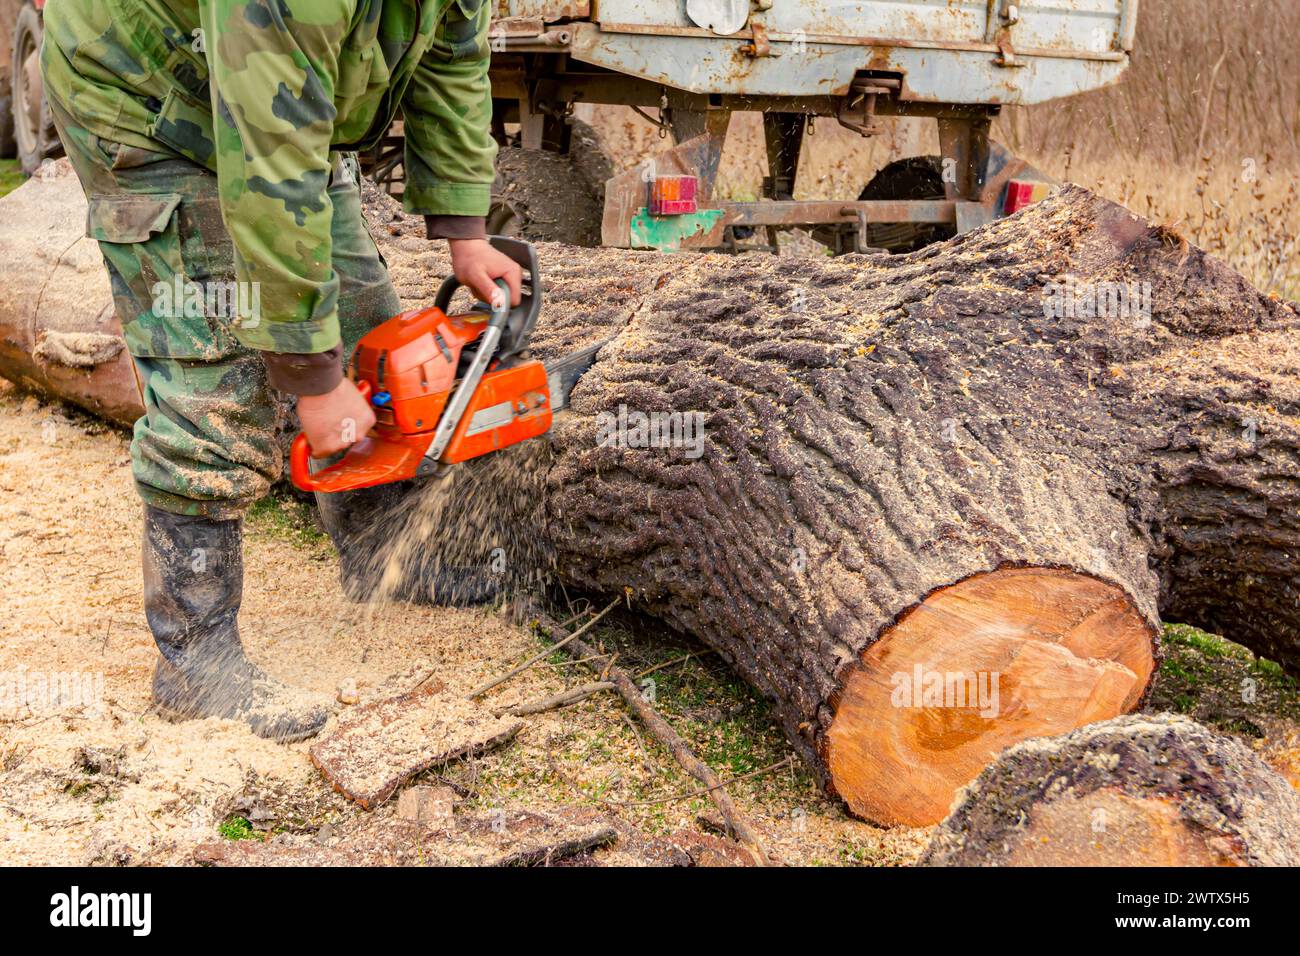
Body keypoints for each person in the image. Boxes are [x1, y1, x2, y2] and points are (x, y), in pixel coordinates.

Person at [40, 0, 522, 741]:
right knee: (213, 373)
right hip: (143, 93)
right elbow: (271, 161)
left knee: (370, 322)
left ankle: (384, 551)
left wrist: (465, 231)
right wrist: (313, 379)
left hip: (277, 106)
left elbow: (453, 57)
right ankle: (195, 659)